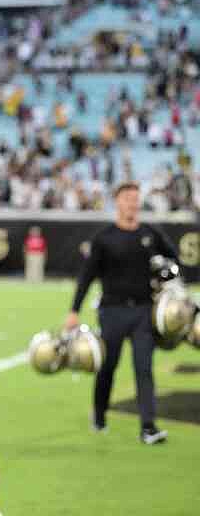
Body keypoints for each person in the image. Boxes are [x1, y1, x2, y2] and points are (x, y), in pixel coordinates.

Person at [63, 181, 177, 444]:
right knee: (107, 367)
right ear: (118, 202)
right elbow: (86, 277)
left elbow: (175, 262)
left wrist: (167, 274)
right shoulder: (104, 238)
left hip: (143, 313)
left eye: (136, 199)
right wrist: (74, 310)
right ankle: (100, 416)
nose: (133, 203)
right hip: (112, 312)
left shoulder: (150, 233)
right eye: (127, 198)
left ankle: (148, 427)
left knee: (144, 368)